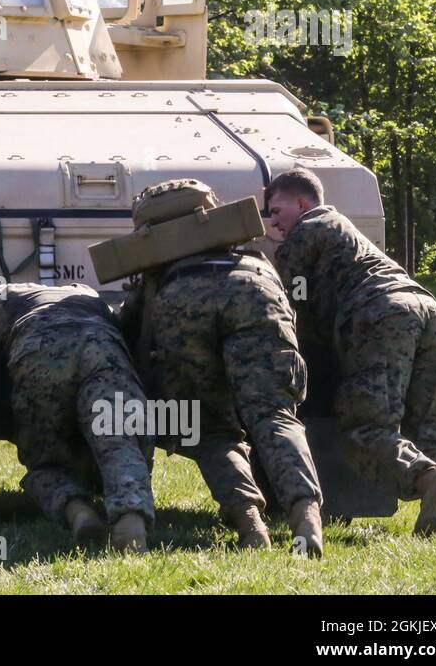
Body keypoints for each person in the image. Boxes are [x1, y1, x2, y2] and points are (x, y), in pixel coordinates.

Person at [266, 167, 436, 538]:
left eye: (276, 212)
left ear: (301, 202)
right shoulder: (349, 235)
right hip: (430, 313)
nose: (274, 224)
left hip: (383, 318)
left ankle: (428, 481)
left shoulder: (307, 230)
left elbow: (290, 311)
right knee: (428, 438)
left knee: (366, 430)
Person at [119, 179, 326, 555]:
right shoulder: (247, 253)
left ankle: (249, 522)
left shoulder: (157, 270)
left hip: (181, 298)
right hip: (254, 288)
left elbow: (132, 329)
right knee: (274, 414)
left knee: (209, 427)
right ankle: (305, 513)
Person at [0, 282, 154, 552]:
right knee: (119, 442)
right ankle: (131, 520)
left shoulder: (2, 295)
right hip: (100, 345)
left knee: (46, 462)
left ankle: (77, 511)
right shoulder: (88, 294)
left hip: (37, 347)